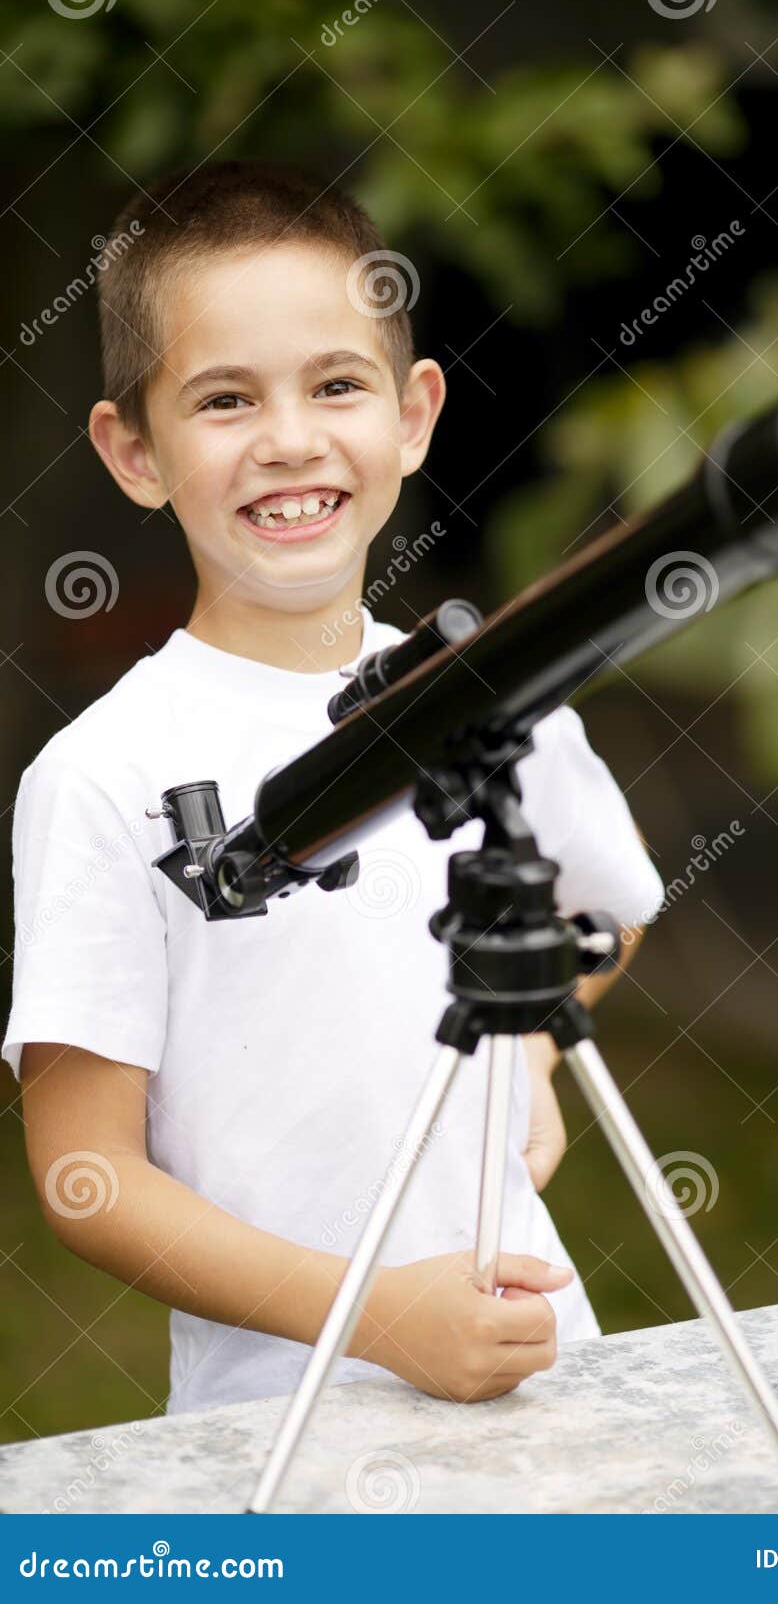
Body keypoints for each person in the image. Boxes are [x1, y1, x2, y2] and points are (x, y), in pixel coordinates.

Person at [3, 161, 665, 1418]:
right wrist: (377, 1315)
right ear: (133, 451)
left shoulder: (496, 690)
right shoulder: (100, 774)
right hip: (278, 1430)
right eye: (224, 399)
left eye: (337, 384)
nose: (291, 439)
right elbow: (84, 1172)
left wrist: (529, 1042)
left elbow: (607, 906)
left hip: (542, 1373)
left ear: (413, 416)